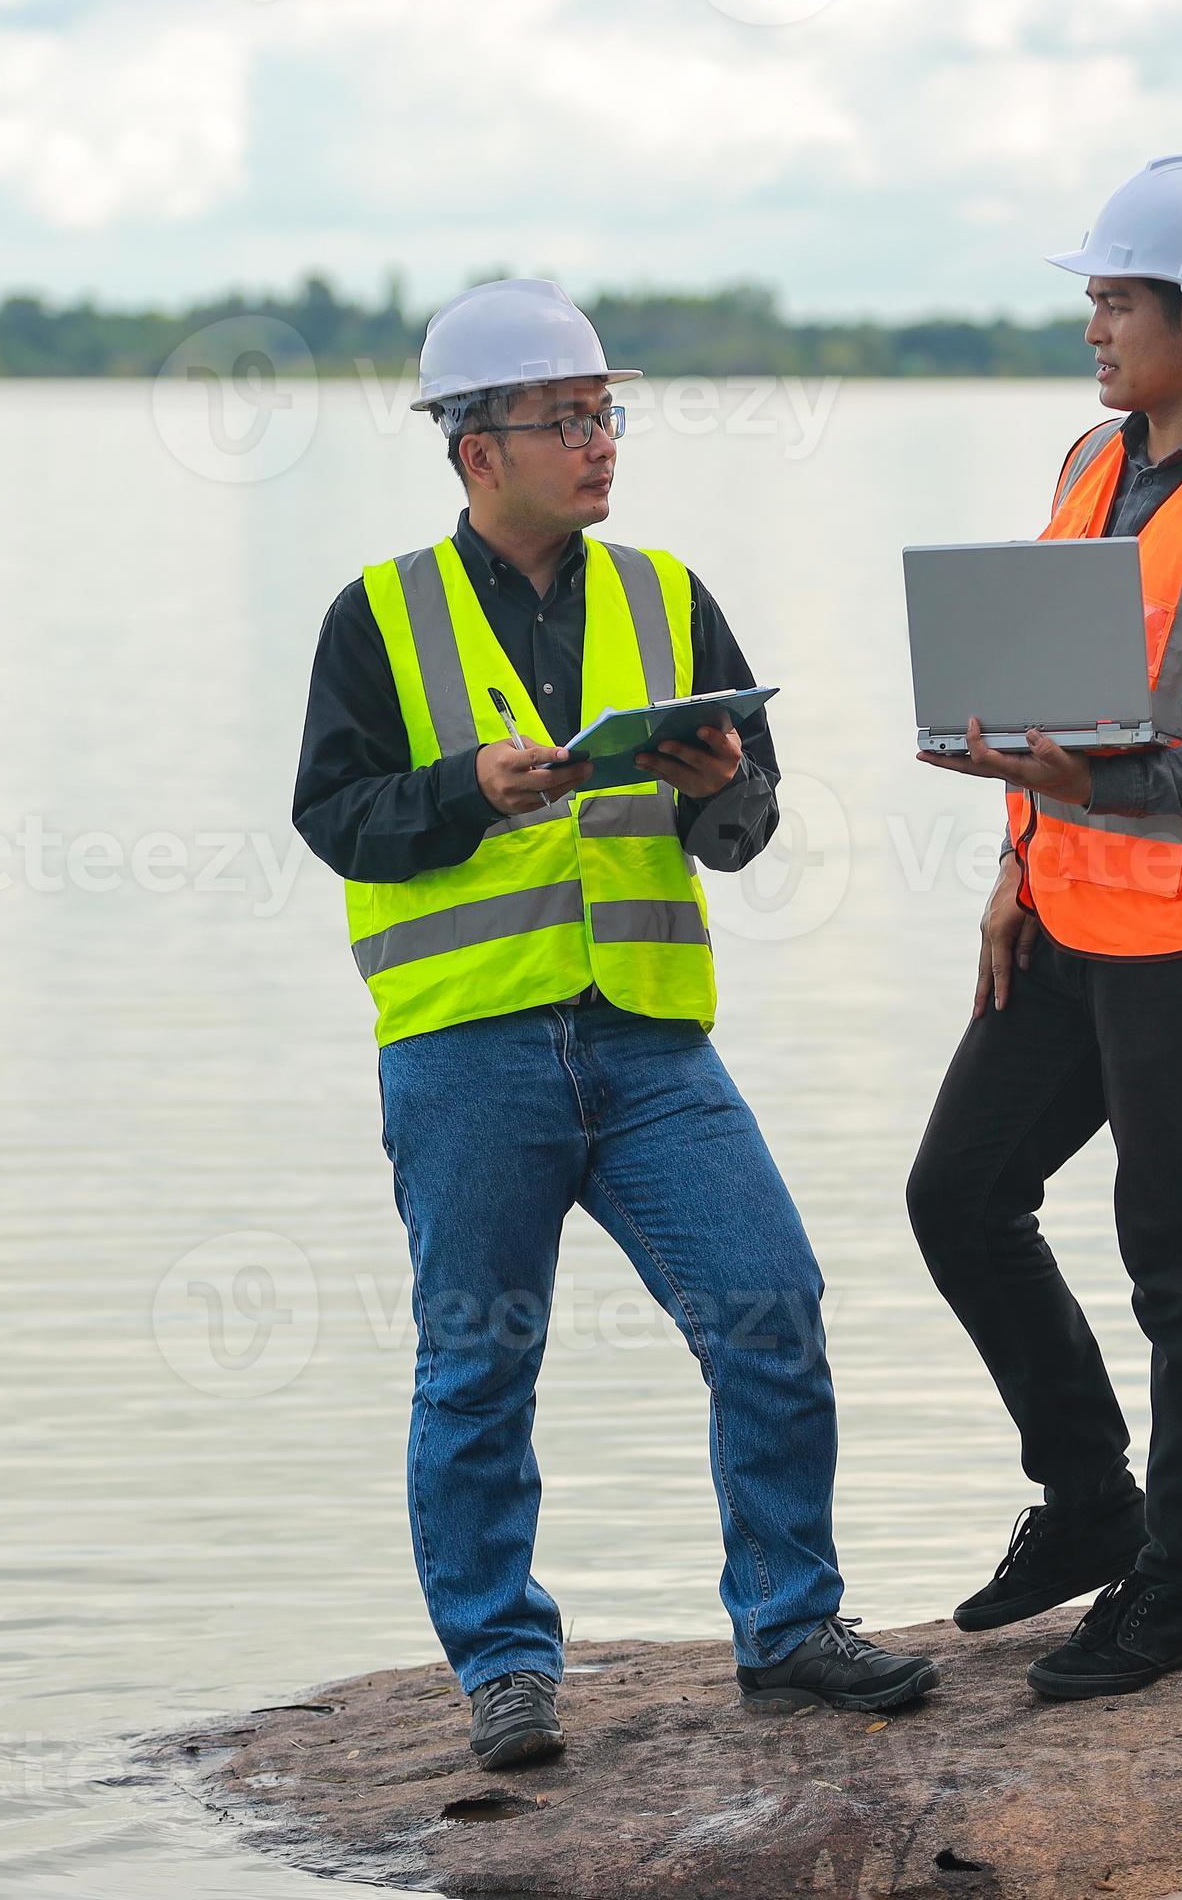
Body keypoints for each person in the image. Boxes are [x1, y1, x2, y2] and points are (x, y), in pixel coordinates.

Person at [291, 278, 938, 1772]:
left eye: (606, 414)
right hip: (467, 1051)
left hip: (651, 1043)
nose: (600, 443)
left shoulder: (667, 594)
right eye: (567, 419)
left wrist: (723, 796)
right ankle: (504, 1669)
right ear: (474, 446)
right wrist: (470, 790)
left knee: (769, 1308)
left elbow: (744, 820)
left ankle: (788, 1628)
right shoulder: (376, 616)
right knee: (477, 1363)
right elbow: (335, 820)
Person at [905, 158, 1182, 1700]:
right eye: (1094, 297)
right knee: (959, 1196)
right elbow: (1066, 695)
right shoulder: (1094, 468)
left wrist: (1114, 782)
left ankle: (1181, 1593)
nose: (1093, 324)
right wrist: (1013, 860)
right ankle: (1091, 1495)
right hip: (1066, 916)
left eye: (1116, 299)